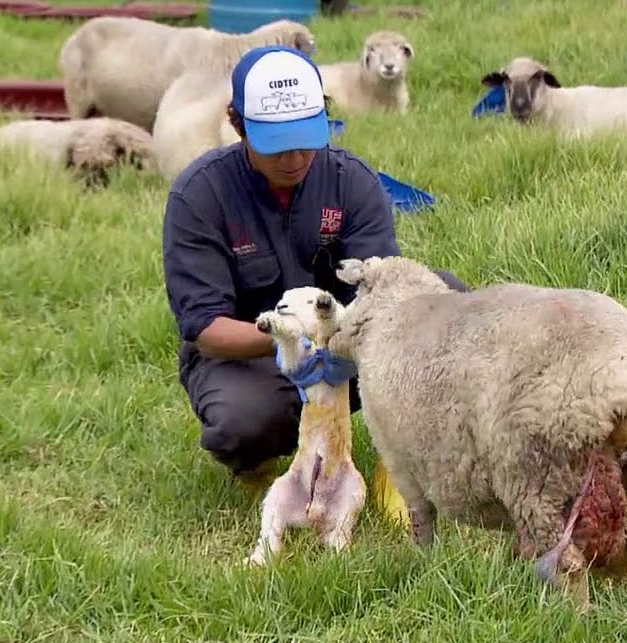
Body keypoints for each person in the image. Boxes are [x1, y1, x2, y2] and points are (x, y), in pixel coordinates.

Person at [162, 44, 468, 482]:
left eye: (306, 140)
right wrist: (292, 334)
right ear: (237, 124)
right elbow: (207, 330)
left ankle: (401, 459)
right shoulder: (199, 196)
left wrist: (345, 336)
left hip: (350, 341)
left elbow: (385, 286)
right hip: (257, 355)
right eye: (277, 146)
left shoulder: (352, 181)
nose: (295, 159)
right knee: (241, 423)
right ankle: (262, 466)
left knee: (446, 297)